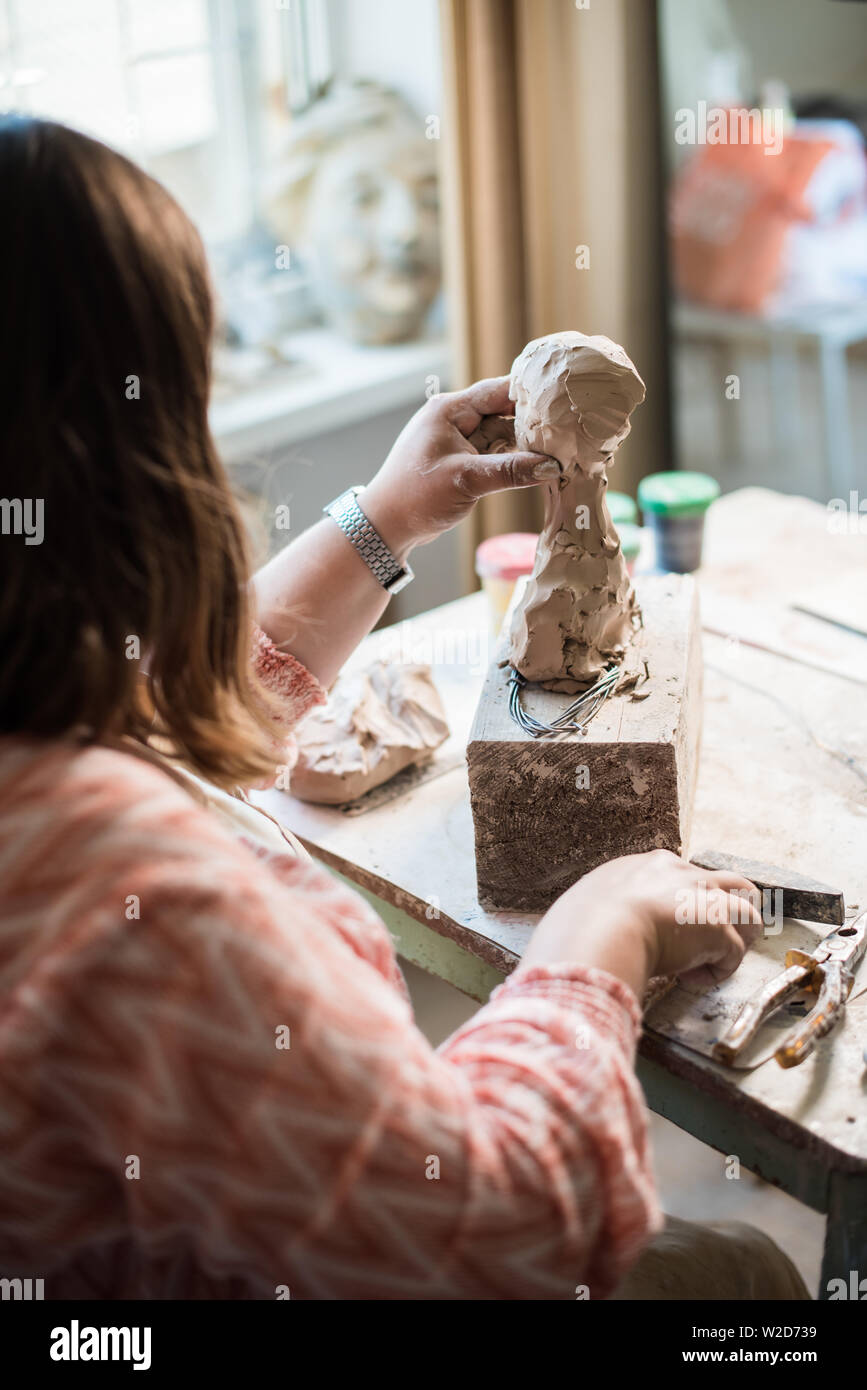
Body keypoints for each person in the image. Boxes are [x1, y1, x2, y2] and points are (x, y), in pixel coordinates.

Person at [0, 117, 806, 1300]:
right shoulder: (145, 912)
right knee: (741, 1281)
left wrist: (384, 521)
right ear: (133, 455)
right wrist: (601, 940)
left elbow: (147, 718)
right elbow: (492, 1233)